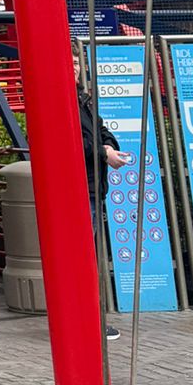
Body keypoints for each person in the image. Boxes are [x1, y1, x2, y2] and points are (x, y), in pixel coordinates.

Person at [77, 49, 130, 340]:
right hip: (82, 185)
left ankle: (91, 319)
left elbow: (101, 130)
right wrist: (102, 152)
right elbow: (74, 142)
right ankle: (90, 322)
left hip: (94, 184)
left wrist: (107, 147)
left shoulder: (83, 99)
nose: (73, 67)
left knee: (89, 254)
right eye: (68, 62)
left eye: (75, 62)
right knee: (86, 257)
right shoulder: (67, 99)